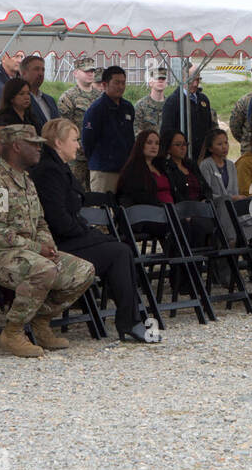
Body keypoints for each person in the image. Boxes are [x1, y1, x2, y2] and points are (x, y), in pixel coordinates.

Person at [0, 125, 96, 358]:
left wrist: (48, 246)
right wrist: (37, 248)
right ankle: (12, 332)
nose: (39, 149)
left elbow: (41, 222)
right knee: (43, 270)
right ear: (16, 147)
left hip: (25, 253)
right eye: (33, 144)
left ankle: (40, 321)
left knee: (83, 270)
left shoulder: (26, 181)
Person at [28, 119, 158, 344]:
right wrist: (86, 231)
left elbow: (73, 204)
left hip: (71, 234)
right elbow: (58, 219)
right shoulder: (49, 171)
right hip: (57, 242)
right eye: (75, 140)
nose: (78, 146)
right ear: (59, 142)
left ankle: (132, 320)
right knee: (119, 253)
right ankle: (130, 321)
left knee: (122, 250)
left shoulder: (57, 167)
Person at [80, 65, 135, 194]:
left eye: (123, 83)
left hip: (124, 169)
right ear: (105, 84)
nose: (120, 87)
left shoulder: (128, 107)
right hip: (103, 171)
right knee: (102, 210)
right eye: (116, 83)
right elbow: (88, 141)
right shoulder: (96, 110)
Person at [57, 61, 102, 190]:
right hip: (77, 156)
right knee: (76, 191)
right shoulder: (68, 97)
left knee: (96, 194)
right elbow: (64, 127)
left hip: (97, 156)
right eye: (86, 71)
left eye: (92, 71)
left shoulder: (100, 97)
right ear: (76, 73)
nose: (90, 74)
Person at [161, 71, 217, 165]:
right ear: (183, 79)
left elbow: (210, 128)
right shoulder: (173, 101)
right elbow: (166, 133)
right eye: (191, 80)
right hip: (181, 158)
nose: (195, 84)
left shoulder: (203, 100)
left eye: (198, 79)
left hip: (203, 158)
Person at [116, 130, 172, 209]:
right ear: (141, 145)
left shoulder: (161, 167)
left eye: (157, 143)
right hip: (153, 212)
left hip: (172, 210)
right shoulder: (133, 170)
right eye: (149, 143)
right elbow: (139, 197)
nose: (154, 146)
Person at [20, 54, 60, 131]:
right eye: (36, 69)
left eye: (43, 70)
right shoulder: (19, 100)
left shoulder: (50, 100)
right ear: (23, 73)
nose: (41, 73)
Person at [133, 61, 168, 136]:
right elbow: (136, 130)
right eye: (157, 78)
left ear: (166, 83)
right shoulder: (141, 106)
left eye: (163, 78)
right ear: (150, 82)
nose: (160, 80)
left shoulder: (170, 105)